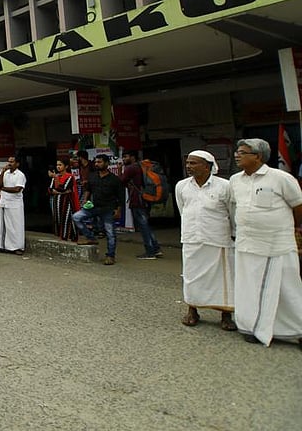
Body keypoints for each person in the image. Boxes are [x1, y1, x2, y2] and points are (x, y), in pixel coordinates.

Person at [228, 138, 302, 349]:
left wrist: (288, 228)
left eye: (242, 152)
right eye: (237, 152)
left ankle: (295, 330)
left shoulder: (280, 178)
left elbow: (298, 207)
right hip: (247, 243)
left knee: (287, 287)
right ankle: (250, 326)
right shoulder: (235, 180)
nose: (236, 155)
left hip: (276, 243)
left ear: (258, 156)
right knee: (248, 286)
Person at [175, 150, 236, 331]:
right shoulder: (182, 186)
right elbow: (183, 210)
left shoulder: (224, 186)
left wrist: (233, 234)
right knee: (192, 277)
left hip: (218, 239)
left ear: (208, 166)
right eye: (188, 163)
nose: (189, 166)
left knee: (223, 280)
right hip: (192, 239)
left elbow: (232, 212)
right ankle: (193, 311)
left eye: (193, 163)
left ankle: (226, 315)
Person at [73, 154, 123, 265]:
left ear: (106, 163)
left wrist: (118, 210)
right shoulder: (93, 176)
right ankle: (90, 237)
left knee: (110, 233)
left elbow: (120, 197)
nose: (97, 164)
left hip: (108, 208)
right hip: (94, 206)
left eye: (99, 162)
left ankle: (110, 255)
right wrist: (85, 200)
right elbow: (88, 189)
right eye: (96, 162)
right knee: (76, 217)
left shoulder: (114, 180)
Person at [120, 150, 163, 259]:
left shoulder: (130, 168)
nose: (124, 159)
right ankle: (156, 248)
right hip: (145, 199)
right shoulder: (141, 167)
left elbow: (121, 181)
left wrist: (120, 171)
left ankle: (150, 251)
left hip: (137, 200)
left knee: (143, 227)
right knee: (146, 225)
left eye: (126, 156)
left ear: (133, 157)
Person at [0, 156, 26, 255]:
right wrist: (3, 171)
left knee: (16, 226)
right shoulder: (5, 173)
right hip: (4, 202)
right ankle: (3, 246)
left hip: (15, 204)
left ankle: (17, 247)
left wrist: (3, 189)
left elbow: (17, 189)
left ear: (17, 164)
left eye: (12, 162)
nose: (9, 164)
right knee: (3, 226)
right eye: (9, 161)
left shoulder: (20, 175)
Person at [49, 158, 80, 242]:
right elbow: (51, 189)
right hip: (56, 201)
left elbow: (63, 188)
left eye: (60, 165)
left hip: (67, 201)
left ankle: (69, 236)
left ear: (66, 166)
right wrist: (61, 191)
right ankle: (61, 236)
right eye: (57, 165)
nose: (58, 167)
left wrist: (59, 190)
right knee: (58, 218)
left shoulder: (69, 176)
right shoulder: (56, 176)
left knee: (67, 218)